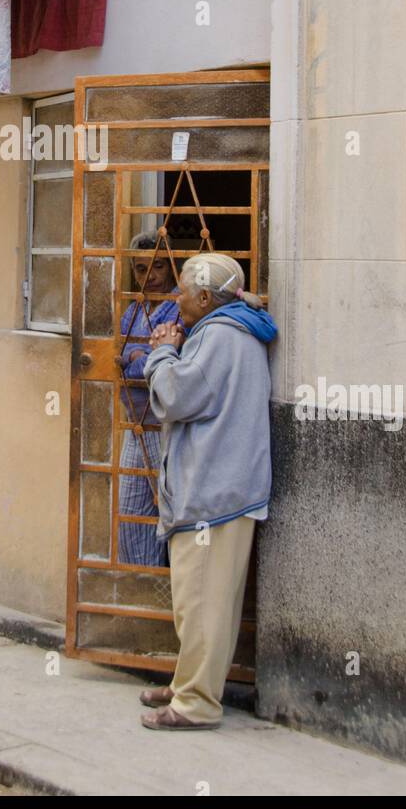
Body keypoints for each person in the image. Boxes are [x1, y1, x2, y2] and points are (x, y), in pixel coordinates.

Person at [137, 252, 277, 730]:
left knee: (201, 603)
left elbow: (176, 396)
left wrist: (160, 351)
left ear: (203, 296)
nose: (175, 300)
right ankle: (186, 684)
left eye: (181, 291)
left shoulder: (218, 336)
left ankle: (195, 704)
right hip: (224, 489)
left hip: (215, 493)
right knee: (201, 600)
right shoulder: (235, 331)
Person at [116, 233, 183, 568]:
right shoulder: (133, 308)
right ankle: (142, 586)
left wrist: (140, 359)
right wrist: (141, 358)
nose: (150, 276)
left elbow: (169, 363)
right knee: (130, 514)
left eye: (157, 266)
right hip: (135, 422)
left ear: (171, 266)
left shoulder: (180, 307)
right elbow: (122, 361)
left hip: (165, 426)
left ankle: (164, 594)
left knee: (170, 510)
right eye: (141, 269)